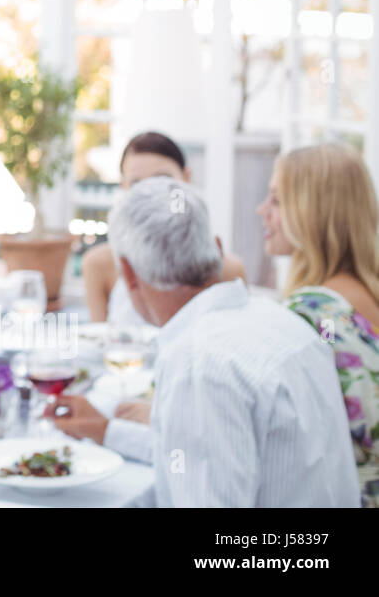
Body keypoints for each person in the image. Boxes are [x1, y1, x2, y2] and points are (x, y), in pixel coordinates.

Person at [49, 176, 358, 506]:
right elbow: (194, 458)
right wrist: (107, 431)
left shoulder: (200, 364)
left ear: (128, 275)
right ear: (219, 249)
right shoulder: (286, 324)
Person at [257, 142, 379, 506]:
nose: (261, 210)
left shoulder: (310, 312)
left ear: (312, 214)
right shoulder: (364, 294)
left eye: (277, 201)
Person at [83, 131, 244, 324]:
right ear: (122, 187)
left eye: (163, 180)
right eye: (136, 183)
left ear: (186, 179)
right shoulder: (100, 265)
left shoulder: (228, 269)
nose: (151, 195)